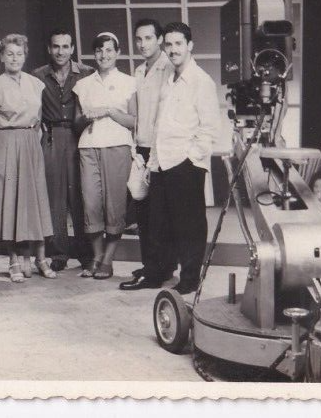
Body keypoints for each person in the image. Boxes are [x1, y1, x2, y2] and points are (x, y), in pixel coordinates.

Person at [122, 22, 221, 293]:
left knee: (189, 226)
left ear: (190, 46)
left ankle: (190, 280)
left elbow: (210, 129)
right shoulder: (168, 80)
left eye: (179, 44)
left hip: (185, 165)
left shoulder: (201, 81)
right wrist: (153, 161)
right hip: (161, 162)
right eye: (169, 44)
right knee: (159, 225)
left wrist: (190, 160)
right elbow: (159, 126)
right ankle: (156, 276)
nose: (173, 49)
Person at [0, 34, 57, 282]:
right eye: (10, 54)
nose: (15, 58)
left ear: (25, 56)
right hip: (6, 143)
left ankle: (41, 258)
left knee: (36, 200)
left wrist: (33, 138)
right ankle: (14, 261)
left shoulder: (35, 84)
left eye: (19, 53)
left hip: (30, 144)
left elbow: (39, 119)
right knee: (11, 202)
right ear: (2, 57)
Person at [72, 32, 137, 280]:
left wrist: (108, 111)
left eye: (109, 50)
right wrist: (87, 116)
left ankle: (108, 260)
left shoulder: (129, 82)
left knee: (115, 205)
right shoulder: (84, 85)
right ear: (94, 54)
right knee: (91, 205)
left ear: (117, 53)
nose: (104, 55)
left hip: (118, 146)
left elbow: (133, 121)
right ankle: (97, 256)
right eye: (99, 50)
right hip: (88, 146)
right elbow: (76, 122)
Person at [32, 29, 95, 272]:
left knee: (81, 195)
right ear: (49, 48)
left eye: (65, 46)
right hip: (51, 137)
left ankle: (86, 253)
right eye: (56, 46)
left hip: (81, 136)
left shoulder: (87, 73)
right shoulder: (37, 76)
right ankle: (58, 253)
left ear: (72, 49)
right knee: (55, 198)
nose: (61, 51)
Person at [122, 19, 175, 289]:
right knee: (143, 212)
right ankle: (152, 266)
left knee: (159, 214)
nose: (143, 44)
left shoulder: (169, 68)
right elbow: (139, 114)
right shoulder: (139, 70)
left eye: (148, 38)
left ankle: (159, 271)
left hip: (162, 148)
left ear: (160, 39)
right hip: (141, 148)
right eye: (138, 39)